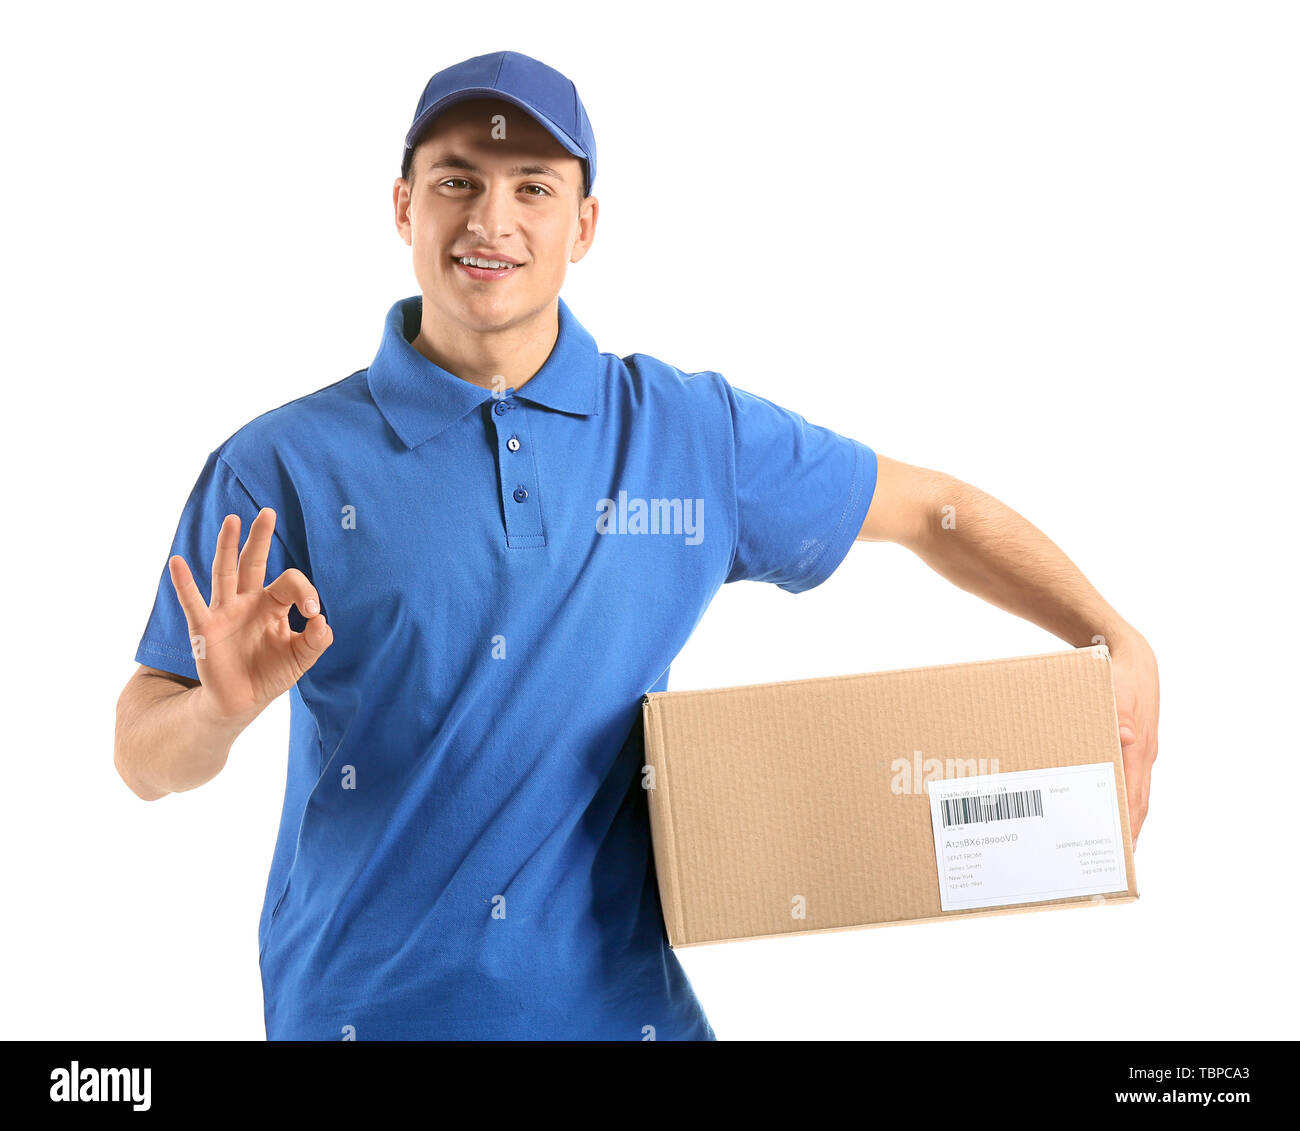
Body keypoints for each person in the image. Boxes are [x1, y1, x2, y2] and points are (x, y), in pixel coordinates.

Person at [114, 50, 1160, 1041]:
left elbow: (933, 511)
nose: (492, 219)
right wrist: (215, 711)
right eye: (456, 181)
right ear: (402, 206)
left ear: (586, 224)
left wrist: (1113, 637)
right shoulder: (280, 466)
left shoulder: (690, 437)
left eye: (532, 187)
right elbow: (142, 757)